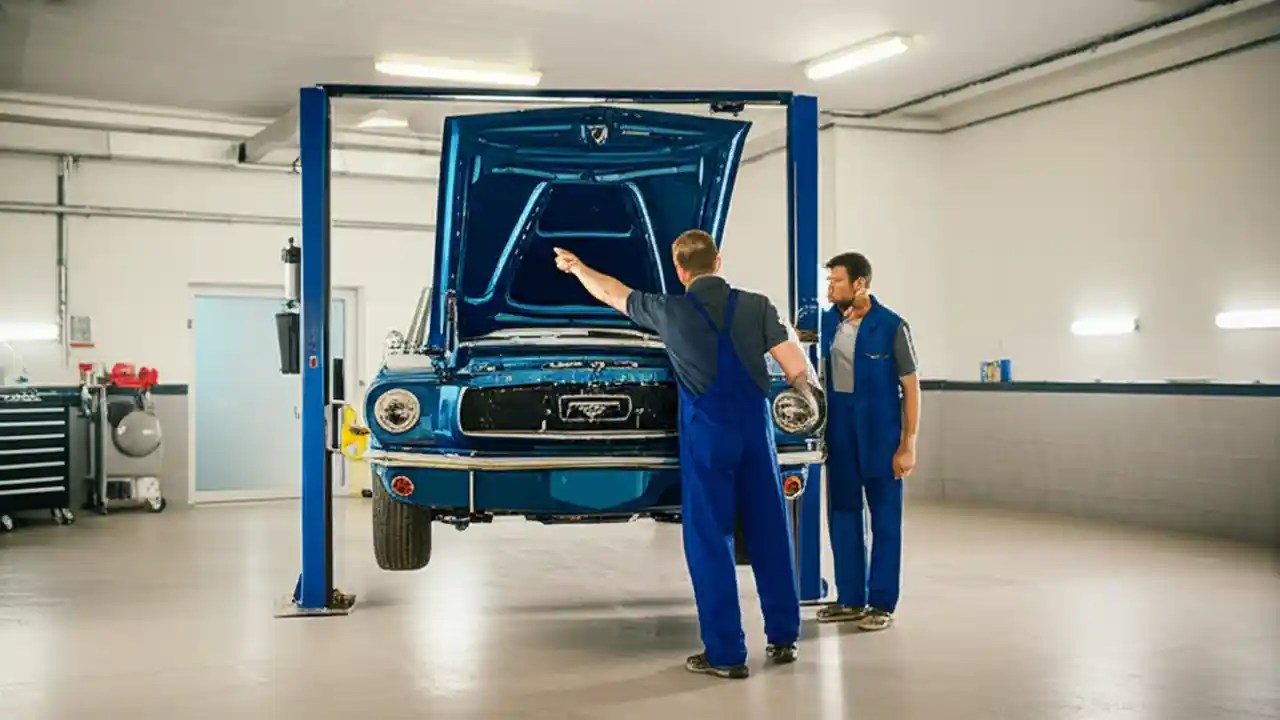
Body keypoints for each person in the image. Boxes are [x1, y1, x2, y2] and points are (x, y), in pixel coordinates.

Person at [553, 229, 816, 680]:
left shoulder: (667, 310)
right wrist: (807, 398)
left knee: (710, 540)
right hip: (757, 436)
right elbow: (796, 368)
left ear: (680, 270)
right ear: (718, 261)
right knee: (770, 531)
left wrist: (577, 267)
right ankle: (784, 637)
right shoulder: (757, 305)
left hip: (708, 438)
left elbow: (613, 291)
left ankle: (727, 655)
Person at [815, 252, 920, 632]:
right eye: (829, 282)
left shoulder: (891, 326)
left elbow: (910, 387)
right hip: (840, 433)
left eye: (837, 281)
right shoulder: (827, 323)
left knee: (885, 520)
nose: (830, 288)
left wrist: (908, 443)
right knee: (842, 514)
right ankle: (850, 598)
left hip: (881, 436)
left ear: (860, 284)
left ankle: (881, 602)